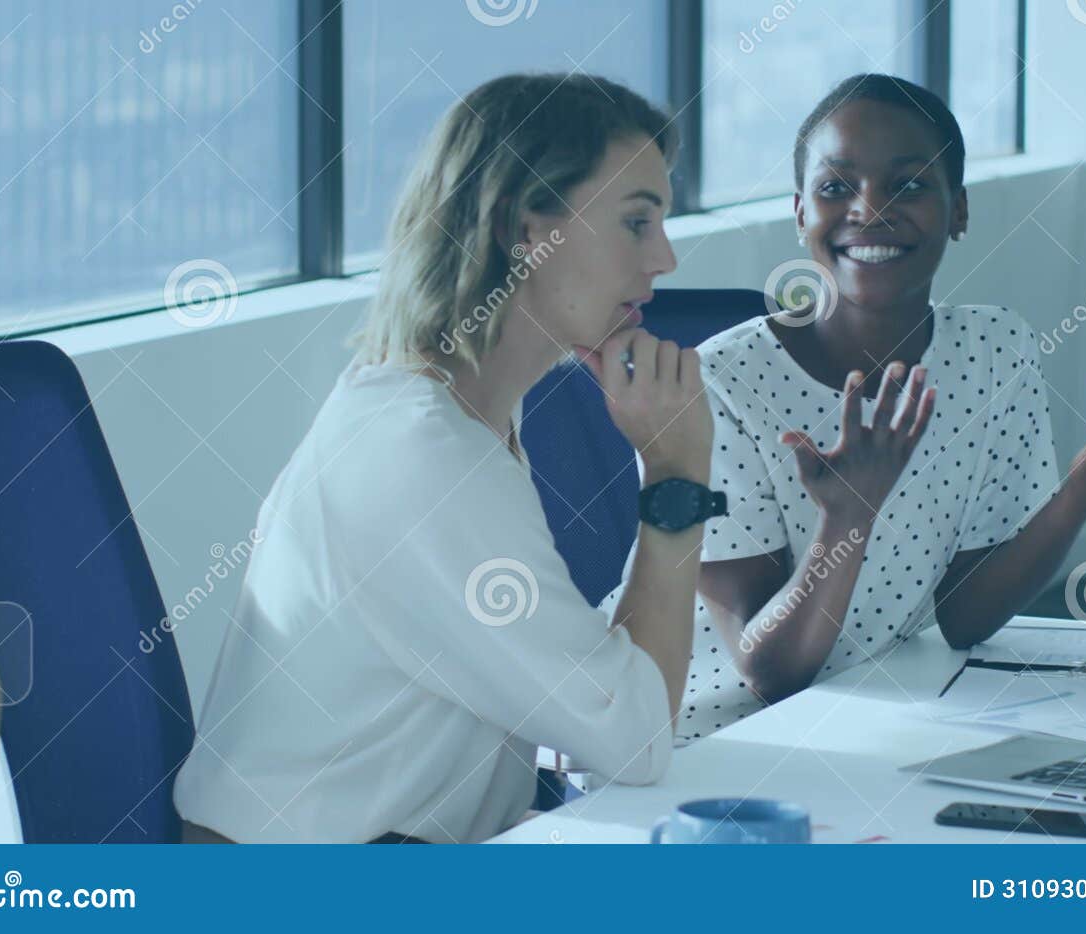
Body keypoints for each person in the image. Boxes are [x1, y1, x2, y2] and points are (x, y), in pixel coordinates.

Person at [173, 73, 716, 843]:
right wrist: (676, 478)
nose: (663, 257)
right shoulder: (424, 456)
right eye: (636, 223)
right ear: (524, 232)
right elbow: (635, 742)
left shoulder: (454, 407)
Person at [603, 74, 1086, 744]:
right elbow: (770, 674)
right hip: (696, 740)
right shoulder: (723, 380)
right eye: (836, 187)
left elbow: (965, 616)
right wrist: (847, 519)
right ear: (800, 212)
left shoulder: (996, 349)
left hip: (867, 710)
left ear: (958, 209)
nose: (871, 209)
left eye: (910, 183)